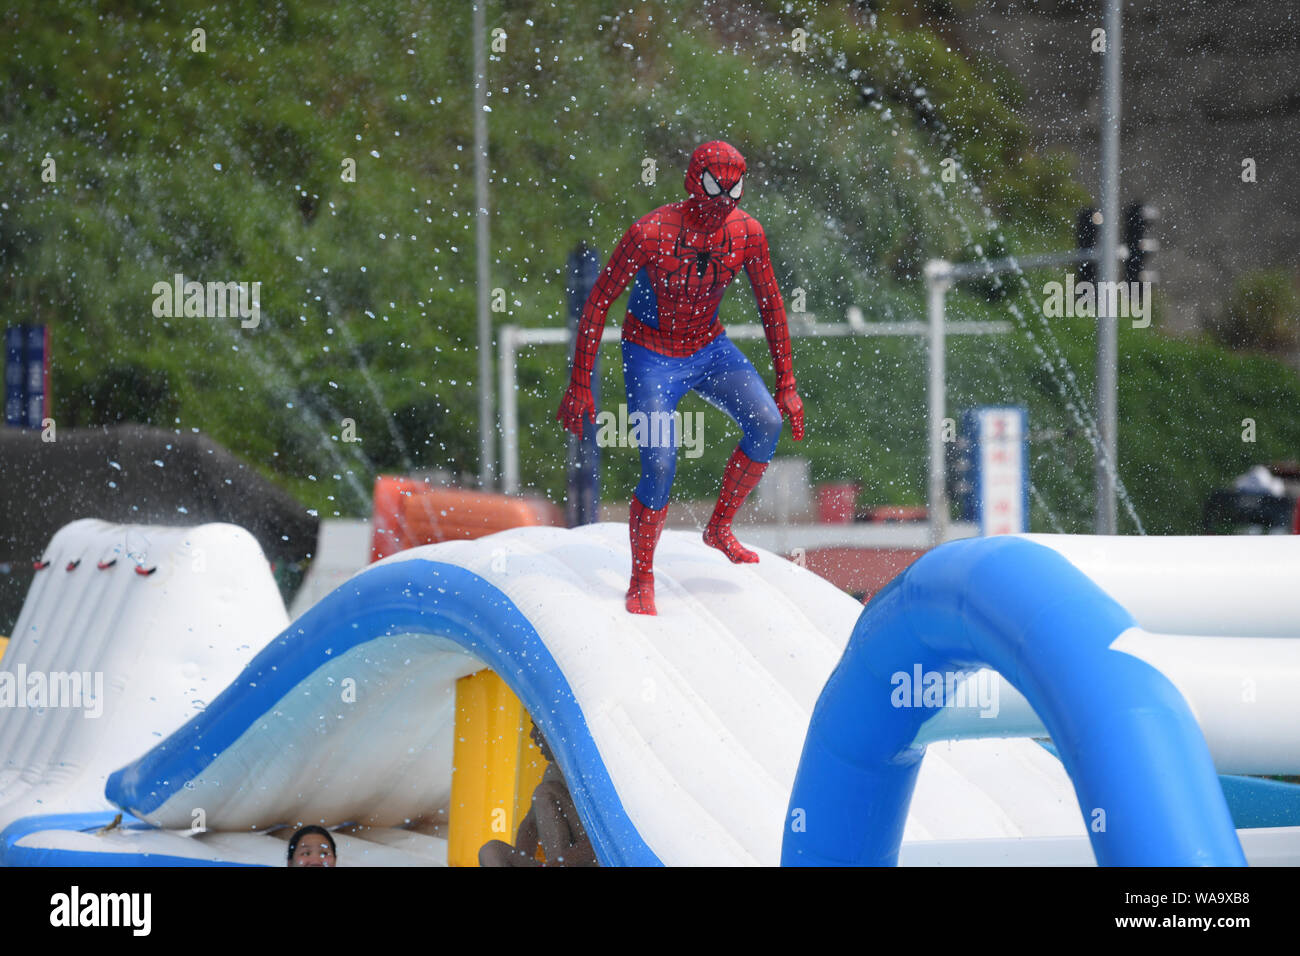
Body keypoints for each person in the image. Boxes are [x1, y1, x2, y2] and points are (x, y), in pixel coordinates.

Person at [557, 140, 805, 615]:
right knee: (661, 461)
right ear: (693, 183)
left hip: (709, 347)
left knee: (767, 422)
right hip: (650, 353)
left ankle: (719, 528)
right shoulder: (649, 233)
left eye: (735, 190)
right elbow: (598, 303)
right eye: (715, 187)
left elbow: (772, 306)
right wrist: (580, 382)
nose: (724, 201)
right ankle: (641, 574)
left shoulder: (747, 233)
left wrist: (787, 384)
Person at [478, 723, 599, 867]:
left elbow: (601, 843)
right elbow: (529, 826)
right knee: (491, 851)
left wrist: (556, 864)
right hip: (560, 862)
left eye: (536, 727)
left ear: (556, 731)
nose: (532, 735)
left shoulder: (593, 769)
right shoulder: (555, 770)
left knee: (544, 793)